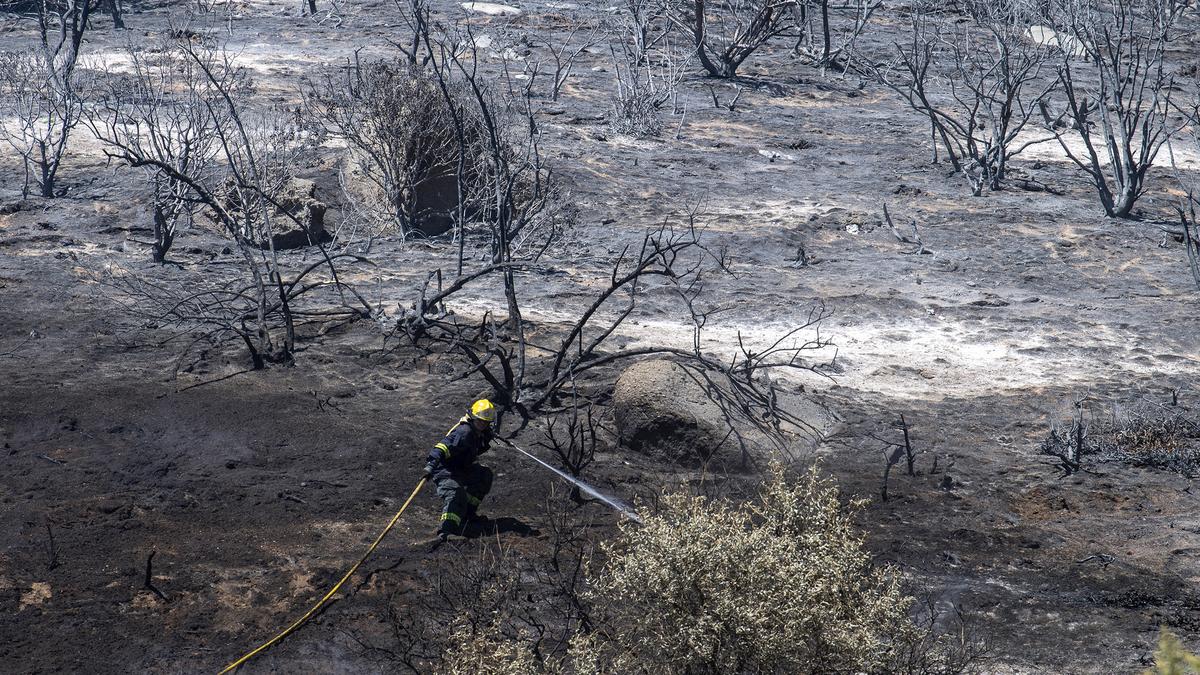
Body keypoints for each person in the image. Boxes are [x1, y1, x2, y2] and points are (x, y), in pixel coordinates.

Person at [424, 399, 496, 542]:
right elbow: (442, 447)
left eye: (486, 422)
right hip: (446, 471)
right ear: (473, 417)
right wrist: (430, 466)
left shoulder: (478, 433)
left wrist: (487, 439)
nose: (483, 424)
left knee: (484, 475)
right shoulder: (464, 432)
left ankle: (466, 514)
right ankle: (446, 531)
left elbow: (474, 451)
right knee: (455, 492)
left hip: (462, 468)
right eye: (480, 421)